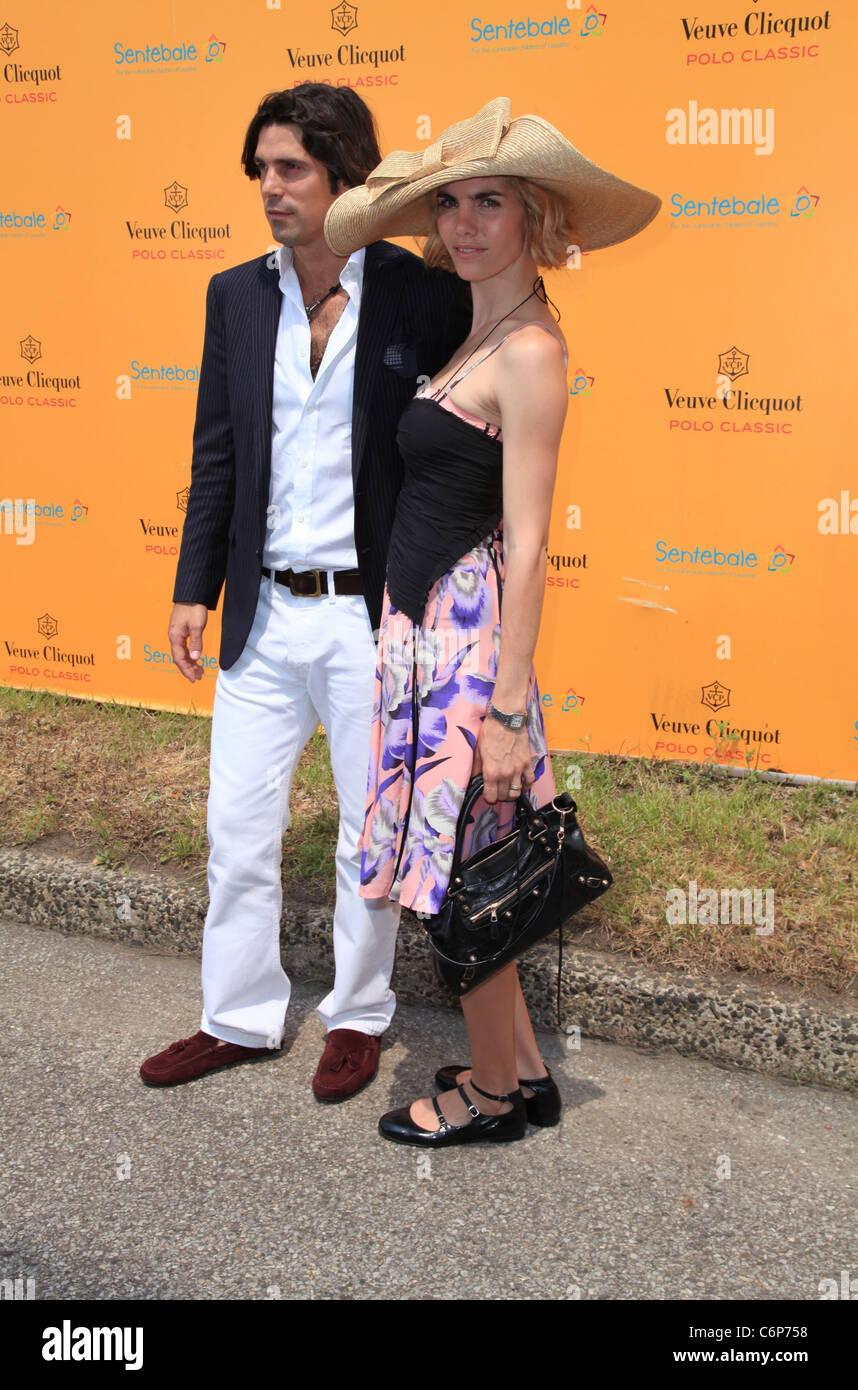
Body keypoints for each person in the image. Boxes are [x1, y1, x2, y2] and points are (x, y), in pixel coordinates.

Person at [324, 96, 660, 1144]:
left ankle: (495, 1098)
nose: (465, 224)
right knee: (472, 879)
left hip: (469, 661)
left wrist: (508, 709)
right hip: (422, 649)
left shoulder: (527, 352)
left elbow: (526, 541)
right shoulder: (483, 328)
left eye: (492, 203)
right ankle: (517, 1072)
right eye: (453, 204)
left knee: (460, 882)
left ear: (536, 219)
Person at [139, 84, 471, 1100]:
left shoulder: (421, 295)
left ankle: (358, 1013)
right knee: (236, 825)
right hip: (262, 611)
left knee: (368, 830)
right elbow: (217, 450)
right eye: (261, 170)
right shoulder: (234, 295)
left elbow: (456, 449)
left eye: (288, 168)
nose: (268, 188)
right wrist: (194, 586)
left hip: (367, 613)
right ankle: (235, 1015)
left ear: (342, 175)